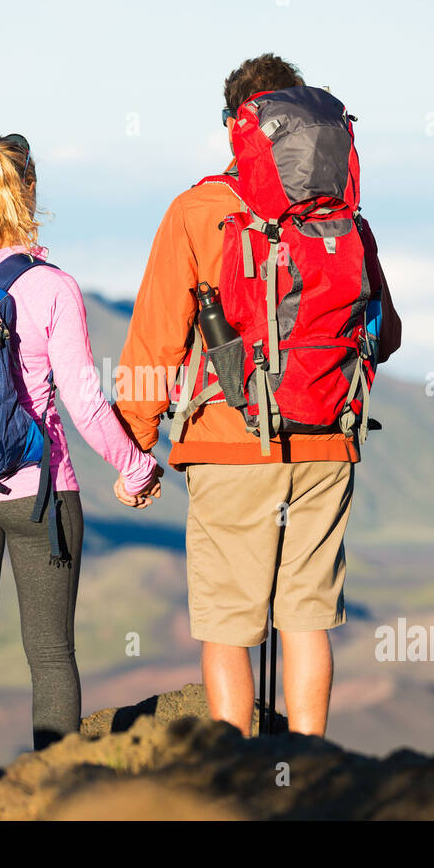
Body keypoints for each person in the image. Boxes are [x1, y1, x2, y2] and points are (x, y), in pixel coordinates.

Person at [114, 55, 359, 738]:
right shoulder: (340, 216)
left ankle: (233, 774)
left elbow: (156, 342)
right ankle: (310, 767)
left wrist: (135, 448)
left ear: (236, 126)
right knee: (306, 617)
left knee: (227, 623)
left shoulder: (197, 211)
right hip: (326, 441)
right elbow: (383, 330)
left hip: (229, 444)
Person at [0, 133, 162, 771]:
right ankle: (56, 796)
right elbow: (83, 400)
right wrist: (137, 467)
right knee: (50, 656)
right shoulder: (51, 287)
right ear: (31, 192)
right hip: (39, 495)